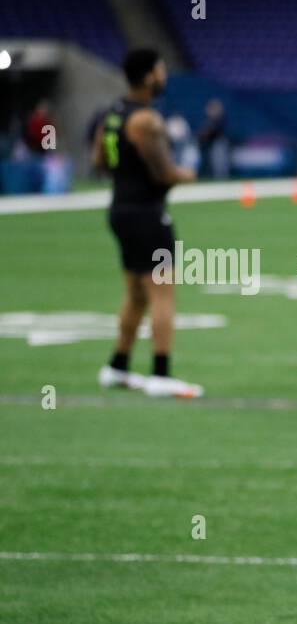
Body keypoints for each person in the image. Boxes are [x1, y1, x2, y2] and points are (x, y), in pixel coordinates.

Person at [92, 47, 202, 398]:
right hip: (148, 214)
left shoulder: (112, 113)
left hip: (120, 210)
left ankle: (117, 366)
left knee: (136, 296)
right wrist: (188, 174)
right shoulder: (147, 121)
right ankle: (160, 373)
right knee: (162, 294)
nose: (164, 76)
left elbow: (100, 160)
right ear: (148, 76)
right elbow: (163, 174)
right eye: (160, 70)